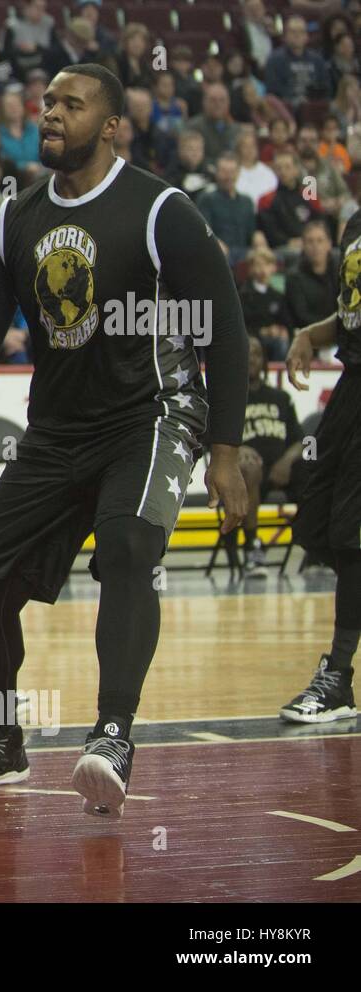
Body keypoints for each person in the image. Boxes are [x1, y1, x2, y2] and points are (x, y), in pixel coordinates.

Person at [0, 64, 248, 816]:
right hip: (58, 428)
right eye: (48, 102)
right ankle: (0, 737)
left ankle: (112, 733)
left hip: (152, 414)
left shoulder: (161, 210)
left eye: (71, 104)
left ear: (112, 124)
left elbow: (225, 327)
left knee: (126, 549)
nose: (51, 113)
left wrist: (224, 450)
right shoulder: (13, 217)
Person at [279, 208, 361, 724]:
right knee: (317, 521)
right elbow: (351, 314)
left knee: (352, 529)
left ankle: (338, 674)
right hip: (352, 384)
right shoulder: (353, 224)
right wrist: (311, 334)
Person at [238, 337, 307, 577]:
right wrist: (236, 449)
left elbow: (301, 440)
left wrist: (287, 462)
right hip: (245, 475)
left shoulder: (280, 398)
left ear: (264, 361)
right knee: (250, 468)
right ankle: (252, 549)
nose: (250, 358)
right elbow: (210, 439)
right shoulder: (228, 397)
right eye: (245, 352)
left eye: (256, 353)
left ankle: (314, 547)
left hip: (280, 470)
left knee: (315, 468)